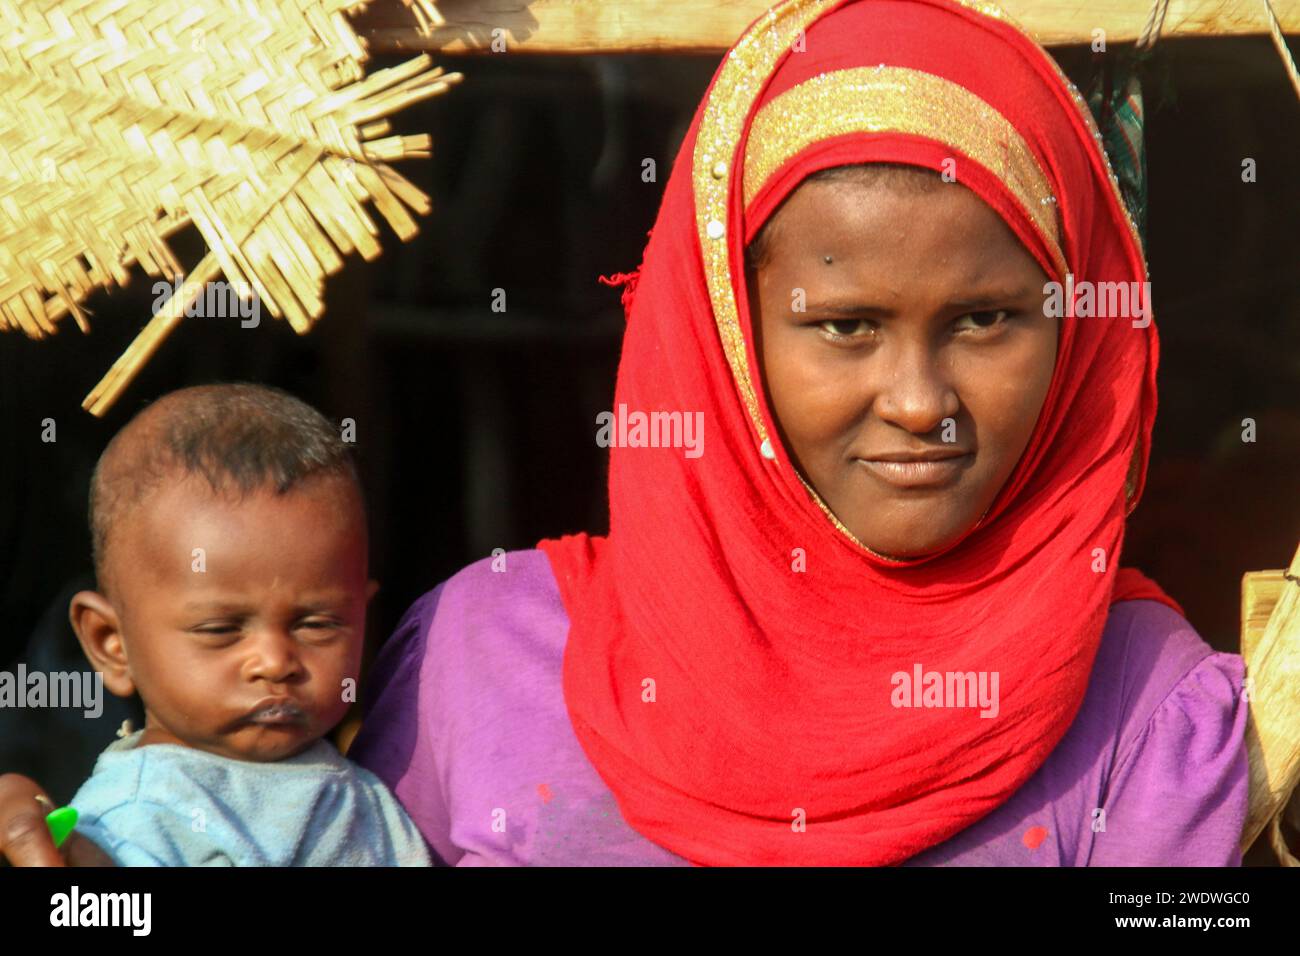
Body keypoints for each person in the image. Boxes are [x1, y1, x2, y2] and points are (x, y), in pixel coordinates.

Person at [0, 0, 1247, 867]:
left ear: (1082, 332)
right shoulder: (478, 659)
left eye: (985, 319)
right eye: (845, 327)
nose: (919, 399)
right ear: (719, 337)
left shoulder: (1152, 712)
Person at [2, 384, 430, 866]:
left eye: (317, 624)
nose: (274, 662)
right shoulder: (134, 822)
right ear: (111, 644)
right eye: (221, 629)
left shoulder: (359, 791)